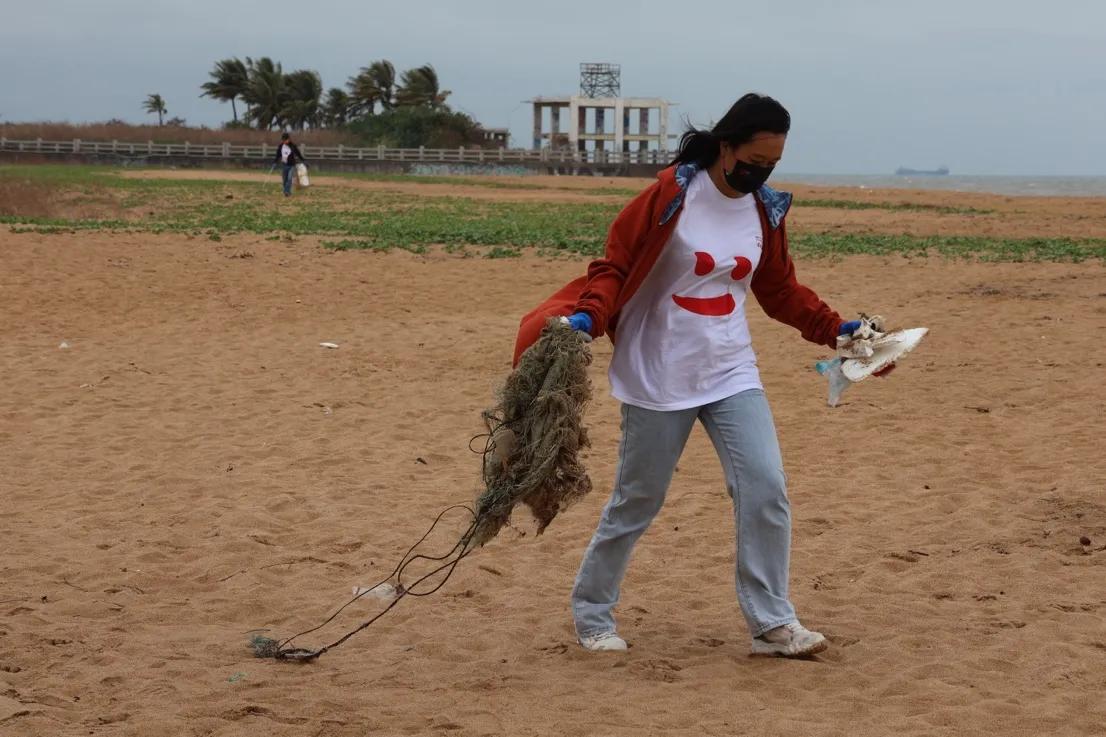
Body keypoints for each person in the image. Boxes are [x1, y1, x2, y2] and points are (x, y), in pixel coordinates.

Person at [512, 93, 885, 658]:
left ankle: (771, 622)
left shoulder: (765, 210)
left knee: (765, 488)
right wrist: (591, 315)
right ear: (725, 146)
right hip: (658, 372)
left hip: (731, 369)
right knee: (638, 499)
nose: (761, 173)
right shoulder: (669, 196)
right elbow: (613, 265)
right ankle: (592, 611)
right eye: (753, 160)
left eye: (773, 164)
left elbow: (779, 290)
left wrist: (840, 328)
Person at [273, 132, 306, 197]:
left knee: (289, 178)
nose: (284, 141)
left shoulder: (293, 146)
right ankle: (287, 191)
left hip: (292, 165)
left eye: (285, 140)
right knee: (284, 180)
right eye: (283, 140)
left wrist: (303, 160)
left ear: (289, 139)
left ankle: (286, 191)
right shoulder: (280, 146)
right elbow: (278, 155)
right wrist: (275, 162)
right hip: (284, 165)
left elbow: (298, 153)